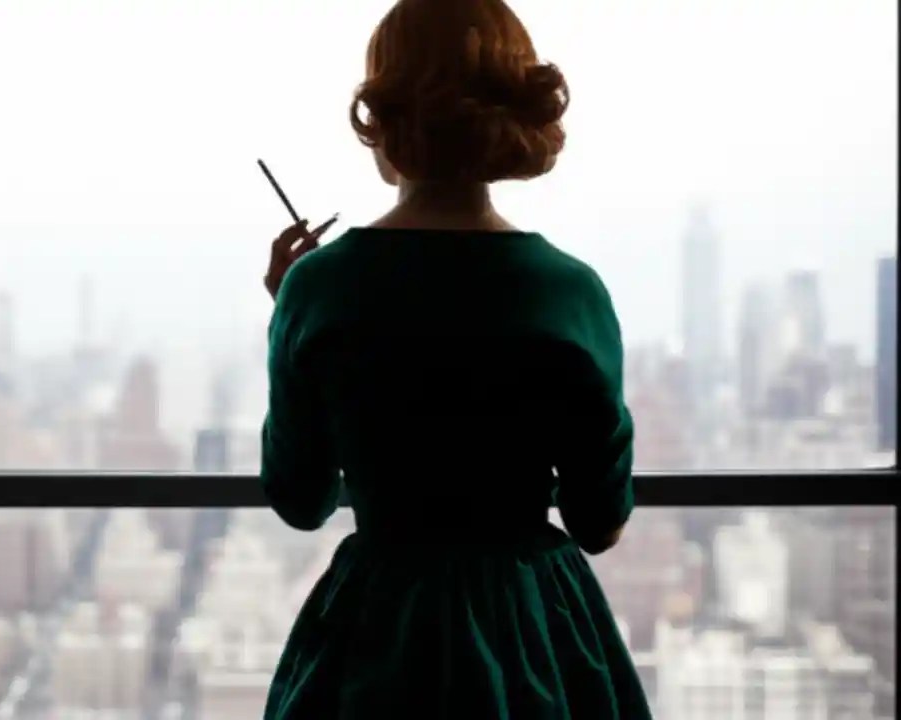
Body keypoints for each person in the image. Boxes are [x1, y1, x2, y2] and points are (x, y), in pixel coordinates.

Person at [258, 0, 652, 718]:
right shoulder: (570, 291)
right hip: (536, 635)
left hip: (376, 633)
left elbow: (300, 499)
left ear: (382, 119)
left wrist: (290, 310)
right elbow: (600, 523)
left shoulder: (320, 288)